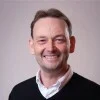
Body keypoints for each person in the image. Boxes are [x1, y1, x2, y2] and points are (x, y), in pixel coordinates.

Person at [9, 8, 100, 100]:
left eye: (59, 40)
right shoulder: (17, 94)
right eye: (42, 40)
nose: (50, 48)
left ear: (71, 44)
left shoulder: (95, 94)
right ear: (32, 46)